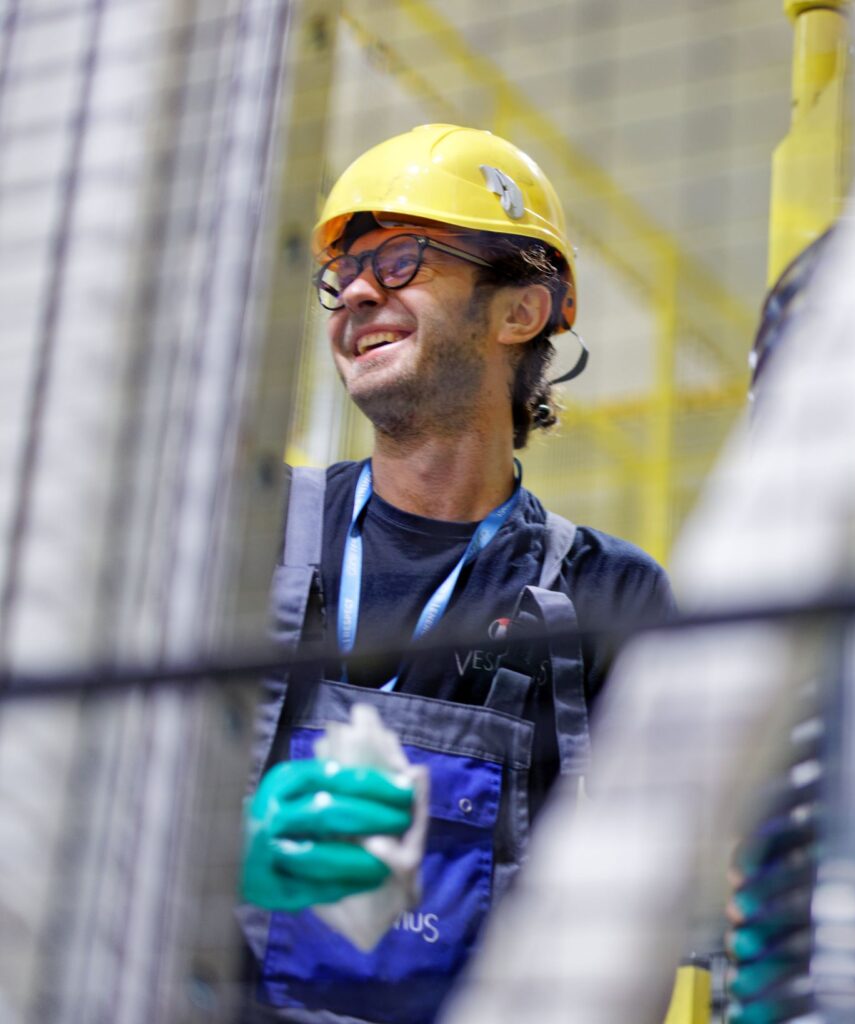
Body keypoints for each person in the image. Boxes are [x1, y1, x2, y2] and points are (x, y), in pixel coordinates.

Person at [237, 124, 674, 1023]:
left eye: (402, 260)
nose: (356, 291)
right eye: (342, 274)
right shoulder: (247, 531)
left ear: (522, 310)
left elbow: (641, 908)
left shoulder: (609, 597)